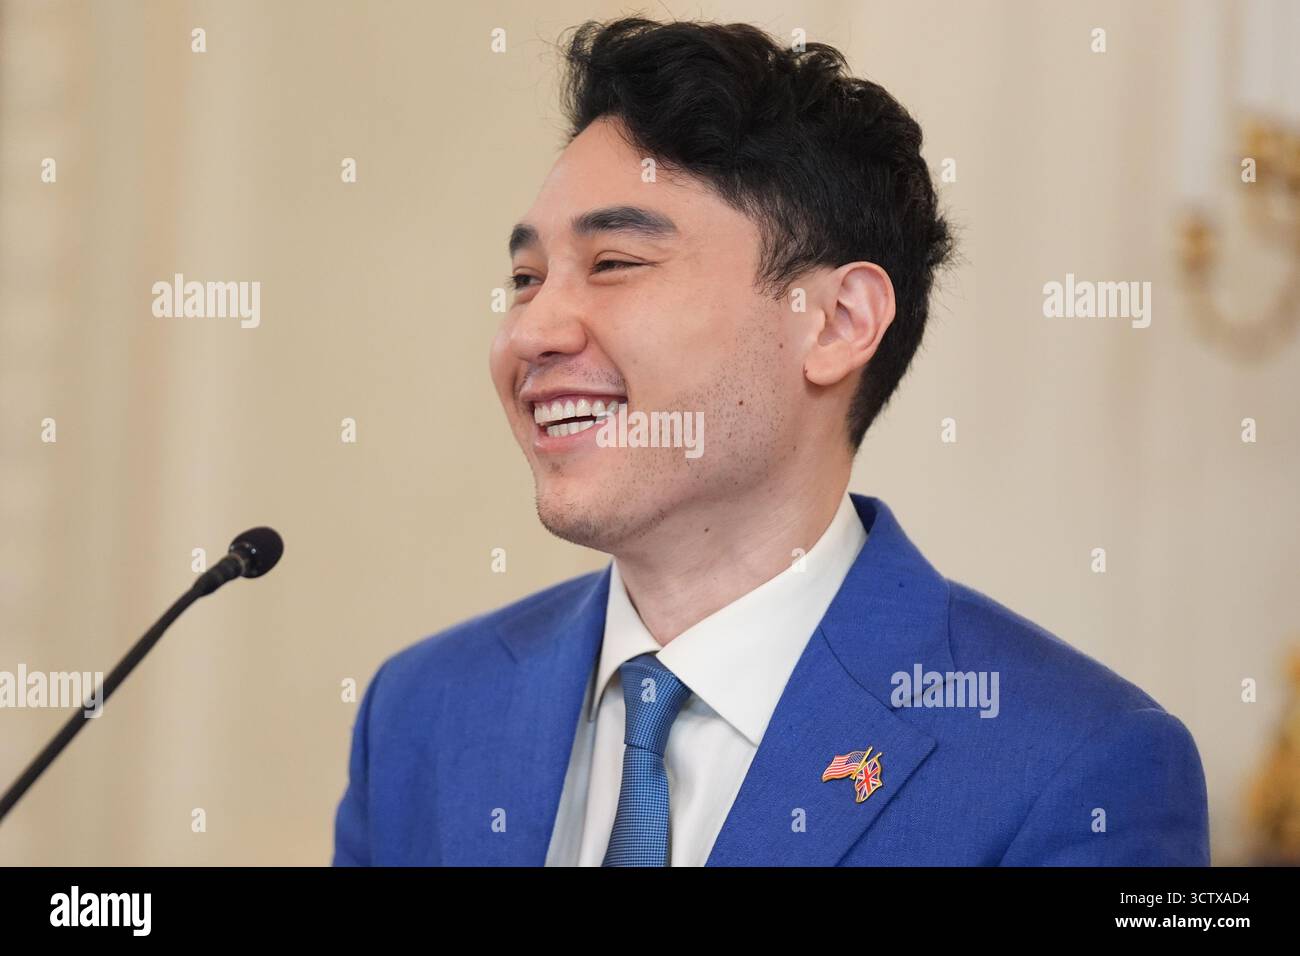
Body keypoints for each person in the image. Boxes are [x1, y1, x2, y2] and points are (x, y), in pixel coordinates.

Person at [332, 17, 1209, 866]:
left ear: (836, 322)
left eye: (614, 264)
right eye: (525, 279)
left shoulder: (1074, 764)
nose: (531, 333)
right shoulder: (422, 715)